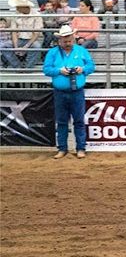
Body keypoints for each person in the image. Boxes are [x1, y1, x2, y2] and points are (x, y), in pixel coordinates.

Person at [42, 25, 95, 159]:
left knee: (78, 121)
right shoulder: (53, 53)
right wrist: (59, 71)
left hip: (77, 91)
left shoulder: (82, 51)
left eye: (69, 40)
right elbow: (46, 70)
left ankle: (80, 148)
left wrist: (82, 69)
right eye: (65, 41)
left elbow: (91, 66)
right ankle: (63, 148)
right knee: (62, 121)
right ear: (60, 40)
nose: (67, 43)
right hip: (60, 92)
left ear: (73, 38)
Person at [8, 0, 44, 68]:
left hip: (31, 40)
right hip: (19, 39)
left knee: (37, 46)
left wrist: (26, 46)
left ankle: (28, 67)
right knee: (4, 46)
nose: (16, 8)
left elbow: (36, 33)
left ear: (24, 7)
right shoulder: (16, 14)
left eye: (18, 6)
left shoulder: (36, 15)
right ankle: (17, 65)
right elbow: (13, 31)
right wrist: (16, 46)